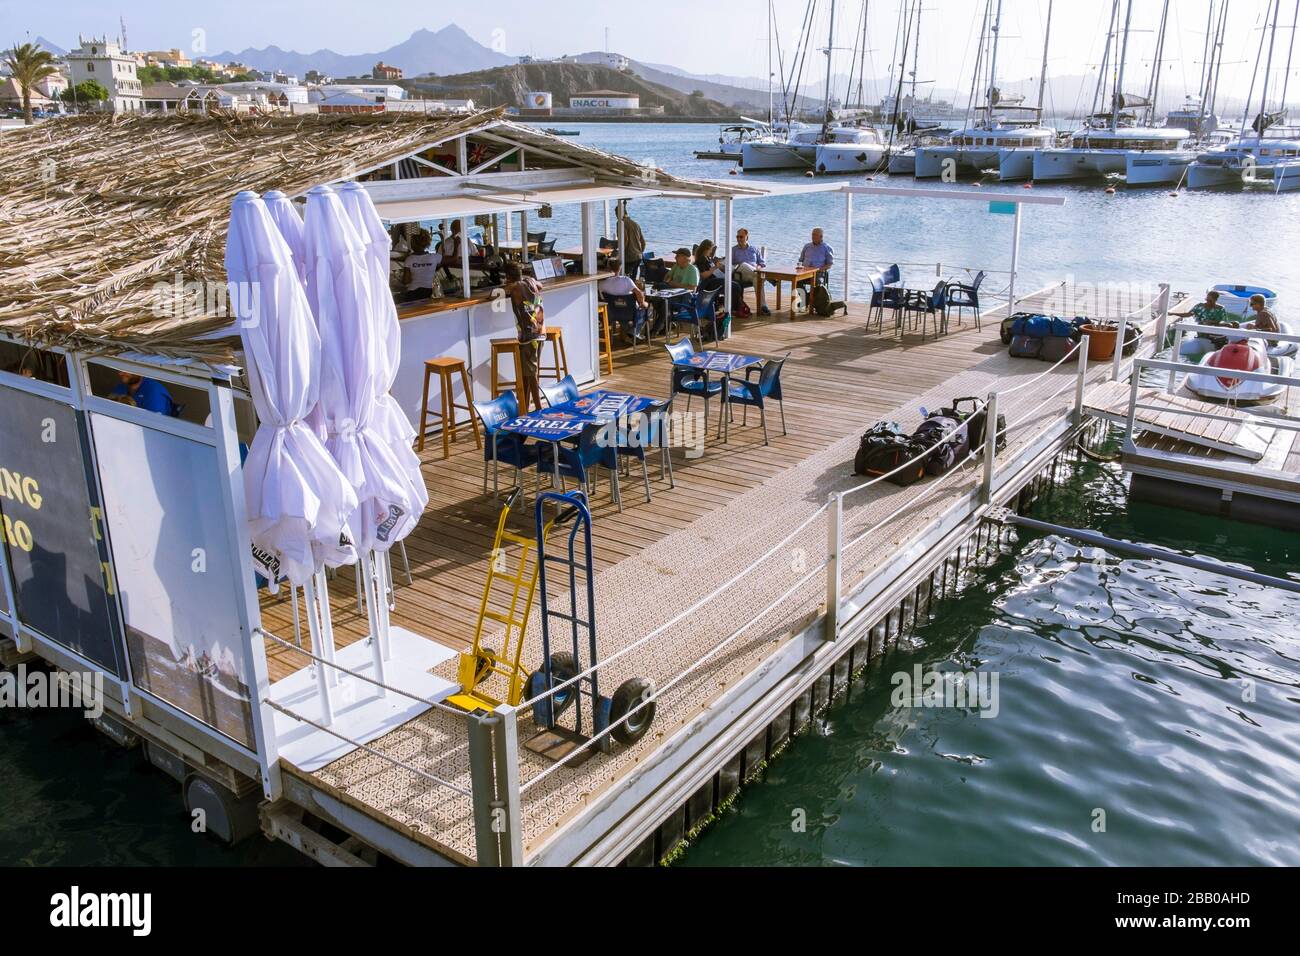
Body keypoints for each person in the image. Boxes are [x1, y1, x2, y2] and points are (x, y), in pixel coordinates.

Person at [503, 261, 545, 412]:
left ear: (508, 277)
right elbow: (541, 285)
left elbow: (498, 293)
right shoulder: (531, 282)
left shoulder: (515, 288)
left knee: (531, 373)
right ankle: (525, 407)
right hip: (540, 332)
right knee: (528, 372)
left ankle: (539, 408)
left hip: (528, 336)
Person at [731, 228, 770, 315]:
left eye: (741, 237)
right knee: (744, 264)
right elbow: (729, 265)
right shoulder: (733, 250)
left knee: (757, 280)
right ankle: (769, 278)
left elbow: (762, 263)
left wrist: (758, 267)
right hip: (739, 273)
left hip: (752, 274)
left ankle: (762, 307)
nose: (739, 239)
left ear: (747, 237)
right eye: (737, 237)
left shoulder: (754, 249)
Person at [110, 371, 180, 417]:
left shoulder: (154, 392)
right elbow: (109, 407)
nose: (120, 374)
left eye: (125, 370)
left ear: (140, 371)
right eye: (120, 370)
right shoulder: (123, 385)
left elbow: (152, 426)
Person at [400, 230, 441, 303]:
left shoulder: (409, 259)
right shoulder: (435, 257)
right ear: (427, 243)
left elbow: (406, 281)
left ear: (413, 243)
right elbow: (453, 259)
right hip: (428, 293)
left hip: (412, 294)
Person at [616, 204, 646, 273]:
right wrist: (640, 253)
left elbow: (625, 239)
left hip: (629, 257)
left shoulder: (620, 223)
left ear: (618, 214)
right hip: (638, 257)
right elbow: (643, 242)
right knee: (633, 279)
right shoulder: (636, 224)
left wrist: (619, 253)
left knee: (624, 277)